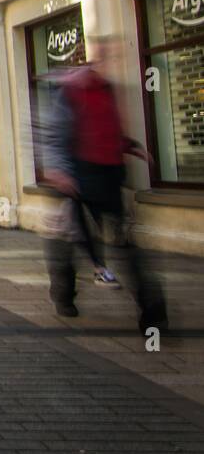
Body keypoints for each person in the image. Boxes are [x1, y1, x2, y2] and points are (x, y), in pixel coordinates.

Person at [40, 36, 167, 332]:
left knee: (123, 244)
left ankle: (152, 310)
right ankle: (63, 294)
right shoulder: (70, 91)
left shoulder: (108, 90)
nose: (107, 60)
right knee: (73, 240)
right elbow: (55, 134)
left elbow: (109, 129)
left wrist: (130, 145)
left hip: (109, 177)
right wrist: (60, 171)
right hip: (79, 178)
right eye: (102, 55)